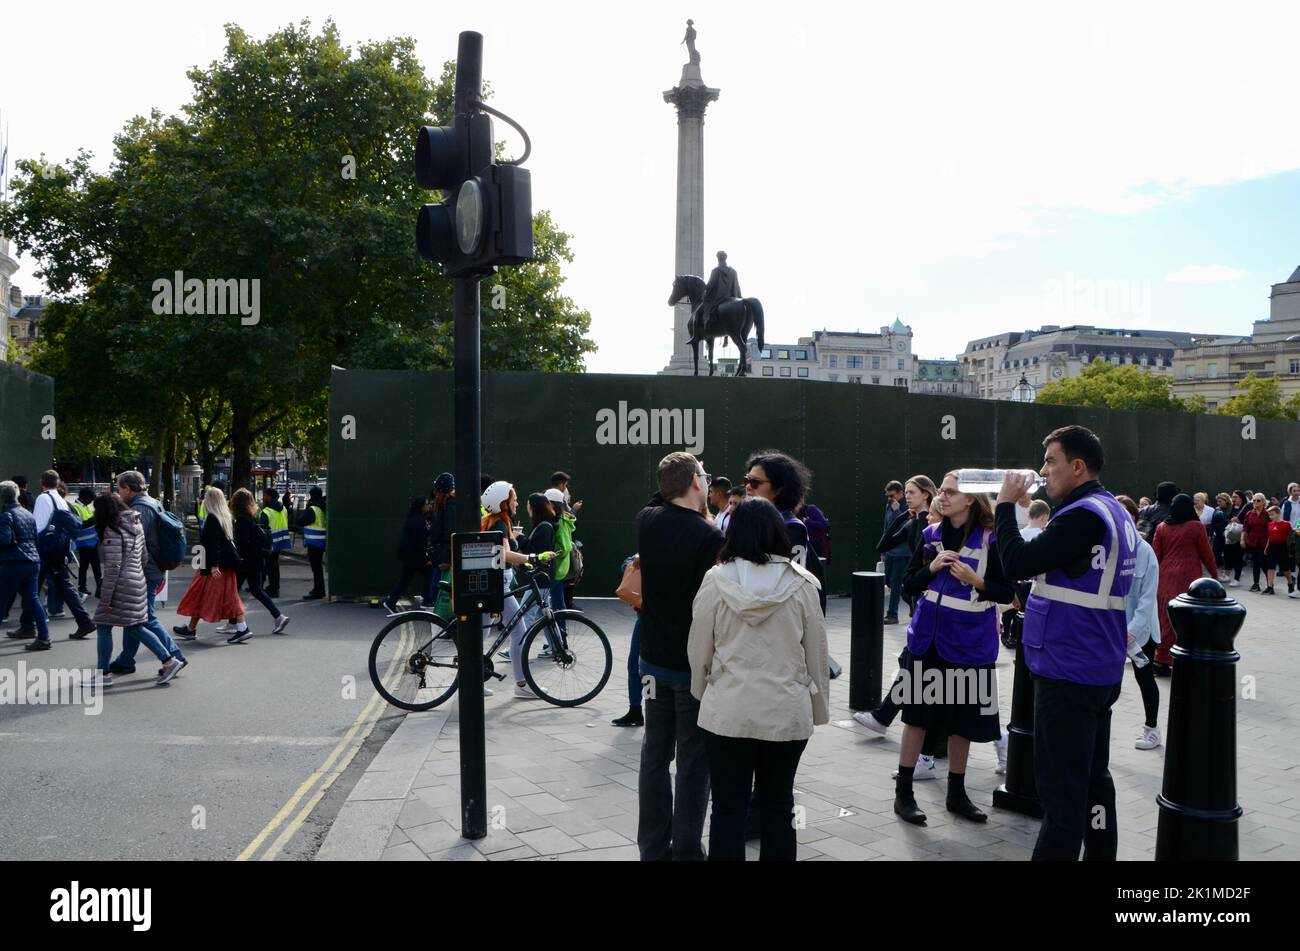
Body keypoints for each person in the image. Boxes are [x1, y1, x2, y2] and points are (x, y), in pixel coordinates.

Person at [994, 425, 1135, 861]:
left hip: (1068, 668)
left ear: (1077, 466)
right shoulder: (1111, 510)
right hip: (1097, 665)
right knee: (1093, 781)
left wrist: (1001, 507)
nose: (1042, 470)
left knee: (1060, 795)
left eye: (1051, 461)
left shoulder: (1082, 515)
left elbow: (1018, 559)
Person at [688, 497, 828, 860]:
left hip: (727, 710)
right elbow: (816, 654)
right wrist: (818, 708)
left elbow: (699, 647)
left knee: (728, 807)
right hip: (786, 712)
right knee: (779, 804)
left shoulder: (715, 580)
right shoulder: (804, 584)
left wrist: (703, 691)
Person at [892, 472, 1012, 826]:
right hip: (927, 641)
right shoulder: (929, 534)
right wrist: (930, 567)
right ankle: (904, 793)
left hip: (970, 645)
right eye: (942, 491)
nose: (942, 497)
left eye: (950, 492)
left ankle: (956, 794)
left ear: (970, 499)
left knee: (963, 723)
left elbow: (1008, 594)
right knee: (915, 718)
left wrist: (976, 582)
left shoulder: (992, 539)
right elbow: (909, 584)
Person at [636, 452, 724, 861]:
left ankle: (652, 849)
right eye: (704, 476)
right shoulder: (709, 537)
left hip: (651, 659)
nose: (708, 483)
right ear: (694, 481)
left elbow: (660, 498)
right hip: (692, 665)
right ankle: (687, 849)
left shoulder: (646, 521)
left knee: (655, 754)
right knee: (692, 759)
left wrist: (675, 481)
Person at [855, 476, 940, 763]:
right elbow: (884, 542)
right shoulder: (914, 522)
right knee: (914, 666)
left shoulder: (935, 526)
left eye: (912, 493)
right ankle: (890, 719)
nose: (907, 497)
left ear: (928, 494)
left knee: (915, 665)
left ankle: (885, 716)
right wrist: (904, 514)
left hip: (932, 608)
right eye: (905, 493)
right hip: (919, 605)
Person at [92, 493, 183, 686]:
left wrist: (106, 599)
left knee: (104, 625)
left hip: (120, 584)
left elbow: (113, 567)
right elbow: (143, 558)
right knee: (135, 625)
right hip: (137, 579)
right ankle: (169, 660)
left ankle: (104, 674)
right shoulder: (136, 524)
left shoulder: (112, 530)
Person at [106, 471, 188, 676]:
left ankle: (174, 655)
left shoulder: (139, 509)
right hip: (154, 567)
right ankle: (126, 659)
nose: (117, 491)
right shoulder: (153, 502)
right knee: (135, 616)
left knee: (144, 617)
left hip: (145, 569)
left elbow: (132, 543)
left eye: (119, 487)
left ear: (128, 489)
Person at [482, 480, 555, 700]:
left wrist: (524, 562)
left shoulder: (495, 522)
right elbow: (503, 555)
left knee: (482, 632)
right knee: (519, 631)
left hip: (491, 583)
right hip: (497, 585)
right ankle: (522, 684)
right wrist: (531, 557)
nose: (517, 502)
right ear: (503, 502)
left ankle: (471, 680)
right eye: (513, 499)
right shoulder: (500, 525)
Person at [742, 451, 826, 616]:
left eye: (755, 482)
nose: (748, 486)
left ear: (779, 489)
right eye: (746, 480)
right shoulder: (755, 524)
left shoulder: (791, 529)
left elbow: (791, 588)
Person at [25, 470, 96, 639]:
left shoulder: (43, 498)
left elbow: (38, 526)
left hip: (45, 548)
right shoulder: (61, 500)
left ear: (42, 482)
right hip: (60, 547)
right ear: (57, 483)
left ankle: (29, 625)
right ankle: (84, 621)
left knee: (33, 586)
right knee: (60, 585)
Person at [173, 486, 248, 643]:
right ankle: (192, 629)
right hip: (223, 564)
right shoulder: (225, 517)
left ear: (210, 500)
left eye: (206, 497)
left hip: (213, 565)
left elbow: (214, 544)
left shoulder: (213, 519)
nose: (203, 499)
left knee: (204, 594)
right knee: (216, 594)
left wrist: (213, 566)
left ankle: (241, 628)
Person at [1115, 496, 1161, 750]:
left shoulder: (1145, 552)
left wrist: (1131, 632)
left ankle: (1152, 729)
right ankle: (1099, 727)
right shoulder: (1106, 548)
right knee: (1109, 681)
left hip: (1140, 632)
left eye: (1123, 514)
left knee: (1145, 678)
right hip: (1112, 628)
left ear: (1133, 518)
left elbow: (1147, 599)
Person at [1152, 495, 1216, 675]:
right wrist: (1215, 575)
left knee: (1165, 618)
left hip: (1164, 577)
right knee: (1185, 620)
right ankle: (1183, 657)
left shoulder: (1162, 527)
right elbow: (1206, 553)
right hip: (1188, 578)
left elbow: (1155, 555)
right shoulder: (1197, 527)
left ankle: (1160, 658)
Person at [0, 480, 51, 650]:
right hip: (32, 560)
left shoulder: (6, 515)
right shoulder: (28, 513)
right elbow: (35, 538)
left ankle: (34, 633)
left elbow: (4, 540)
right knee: (33, 599)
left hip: (13, 562)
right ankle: (43, 637)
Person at [232, 488, 289, 634]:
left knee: (234, 591)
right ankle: (278, 616)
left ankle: (236, 624)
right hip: (257, 559)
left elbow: (242, 544)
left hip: (246, 561)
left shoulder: (241, 521)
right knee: (256, 590)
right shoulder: (253, 517)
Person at [385, 496, 434, 613]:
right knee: (429, 572)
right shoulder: (418, 521)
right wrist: (427, 558)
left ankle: (391, 601)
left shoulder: (415, 518)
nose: (428, 506)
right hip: (413, 556)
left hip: (408, 555)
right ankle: (427, 600)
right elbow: (420, 542)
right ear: (421, 507)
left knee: (405, 580)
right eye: (426, 504)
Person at [612, 554, 645, 728]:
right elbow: (626, 562)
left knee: (640, 665)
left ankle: (640, 709)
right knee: (639, 665)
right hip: (650, 616)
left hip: (651, 617)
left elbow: (626, 563)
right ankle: (638, 709)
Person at [880, 481, 910, 624]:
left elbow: (905, 528)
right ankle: (912, 602)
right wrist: (883, 549)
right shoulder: (888, 505)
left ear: (900, 493)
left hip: (902, 552)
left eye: (892, 495)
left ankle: (892, 614)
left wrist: (898, 511)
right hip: (890, 551)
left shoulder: (907, 507)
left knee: (896, 582)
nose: (890, 498)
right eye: (888, 496)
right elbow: (886, 528)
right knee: (890, 583)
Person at [427, 473, 456, 608]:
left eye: (436, 492)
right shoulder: (449, 506)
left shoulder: (450, 508)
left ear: (440, 492)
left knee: (442, 598)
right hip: (444, 559)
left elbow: (450, 535)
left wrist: (446, 560)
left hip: (445, 562)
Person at [259, 488, 290, 597]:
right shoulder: (284, 509)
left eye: (265, 495)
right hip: (280, 540)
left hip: (269, 542)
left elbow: (262, 529)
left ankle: (273, 589)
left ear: (269, 497)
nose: (263, 498)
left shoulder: (266, 512)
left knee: (270, 566)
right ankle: (274, 587)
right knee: (274, 566)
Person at [73, 486, 101, 599]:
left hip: (92, 541)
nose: (90, 502)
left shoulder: (86, 507)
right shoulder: (75, 507)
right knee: (84, 566)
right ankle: (82, 588)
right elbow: (79, 524)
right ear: (84, 498)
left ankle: (99, 587)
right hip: (84, 543)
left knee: (96, 566)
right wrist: (94, 519)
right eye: (89, 499)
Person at [301, 486, 327, 599]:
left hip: (313, 541)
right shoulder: (323, 506)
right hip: (321, 541)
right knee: (318, 568)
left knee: (316, 568)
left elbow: (300, 520)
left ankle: (318, 591)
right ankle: (320, 590)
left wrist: (307, 507)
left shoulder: (313, 509)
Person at [1263, 504, 1294, 597]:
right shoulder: (1269, 524)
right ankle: (1270, 587)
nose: (1271, 516)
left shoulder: (1286, 524)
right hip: (1272, 547)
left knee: (1285, 569)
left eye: (1272, 514)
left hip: (1282, 547)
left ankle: (1290, 584)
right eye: (1269, 515)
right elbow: (1270, 537)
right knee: (1270, 567)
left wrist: (1290, 549)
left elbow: (1290, 536)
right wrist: (1266, 547)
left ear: (1278, 514)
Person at [1241, 493, 1270, 592]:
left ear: (1263, 502)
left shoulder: (1267, 514)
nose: (1255, 502)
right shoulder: (1249, 514)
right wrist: (1242, 539)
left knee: (1264, 563)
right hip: (1252, 541)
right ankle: (1256, 584)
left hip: (1265, 542)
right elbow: (1245, 528)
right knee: (1256, 563)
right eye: (1254, 500)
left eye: (1258, 500)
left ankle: (1270, 584)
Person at [1223, 490, 1249, 587]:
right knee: (1227, 554)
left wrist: (1239, 521)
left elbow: (1248, 520)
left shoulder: (1246, 507)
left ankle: (1236, 578)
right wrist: (1231, 519)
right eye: (1232, 497)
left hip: (1241, 534)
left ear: (1241, 498)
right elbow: (1226, 517)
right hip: (1230, 534)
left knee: (1238, 556)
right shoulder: (1231, 507)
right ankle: (1227, 574)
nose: (1233, 499)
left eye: (1236, 497)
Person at [797, 498, 831, 566]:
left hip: (817, 546)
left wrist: (808, 522)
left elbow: (825, 524)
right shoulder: (795, 513)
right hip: (806, 548)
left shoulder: (811, 509)